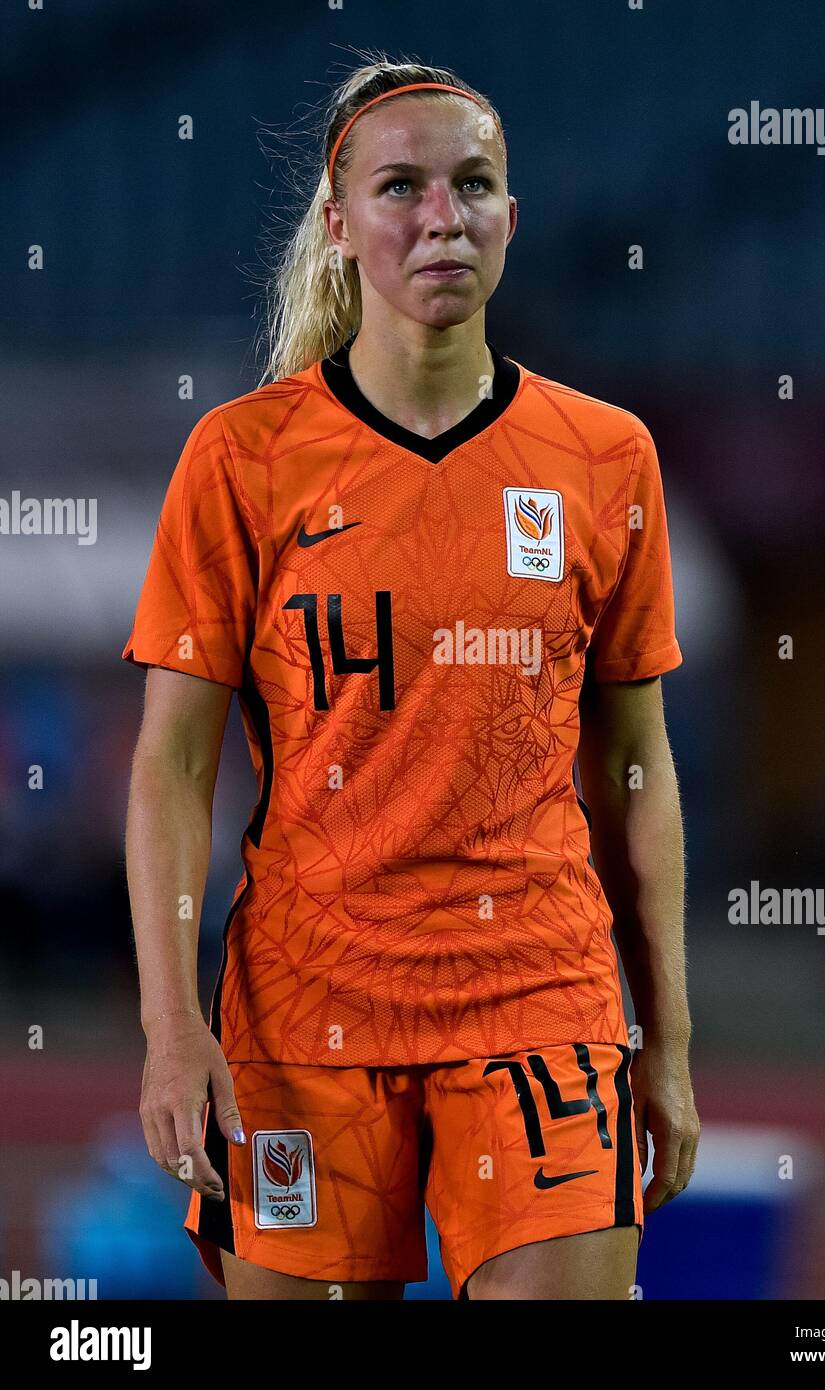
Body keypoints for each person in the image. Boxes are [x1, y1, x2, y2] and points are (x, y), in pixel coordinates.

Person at [123, 54, 699, 1302]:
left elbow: (638, 769)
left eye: (475, 184)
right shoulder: (242, 459)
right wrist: (175, 1030)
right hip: (302, 1007)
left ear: (510, 212)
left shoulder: (608, 457)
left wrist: (668, 1042)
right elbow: (170, 769)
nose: (444, 216)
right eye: (402, 188)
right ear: (338, 227)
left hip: (539, 999)